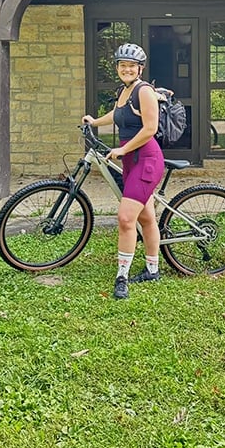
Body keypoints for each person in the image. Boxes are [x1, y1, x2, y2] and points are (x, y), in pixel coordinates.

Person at [82, 43, 165, 299]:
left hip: (147, 160)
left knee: (126, 219)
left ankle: (122, 277)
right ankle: (152, 270)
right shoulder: (125, 91)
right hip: (132, 159)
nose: (127, 69)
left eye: (131, 66)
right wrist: (95, 121)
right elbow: (117, 115)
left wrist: (123, 148)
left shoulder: (144, 91)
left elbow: (150, 128)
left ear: (140, 69)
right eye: (122, 65)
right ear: (117, 68)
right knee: (146, 218)